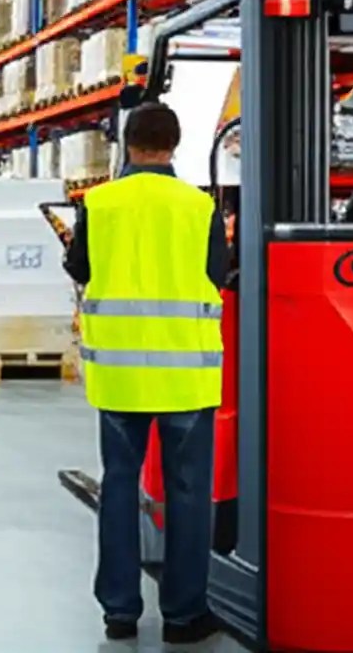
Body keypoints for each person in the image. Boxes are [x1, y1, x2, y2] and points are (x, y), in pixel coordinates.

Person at [63, 102, 229, 645]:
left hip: (120, 375)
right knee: (188, 492)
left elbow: (80, 268)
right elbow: (217, 273)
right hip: (186, 373)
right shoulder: (199, 206)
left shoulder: (99, 203)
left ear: (127, 144)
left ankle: (119, 611)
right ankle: (183, 615)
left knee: (118, 486)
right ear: (174, 145)